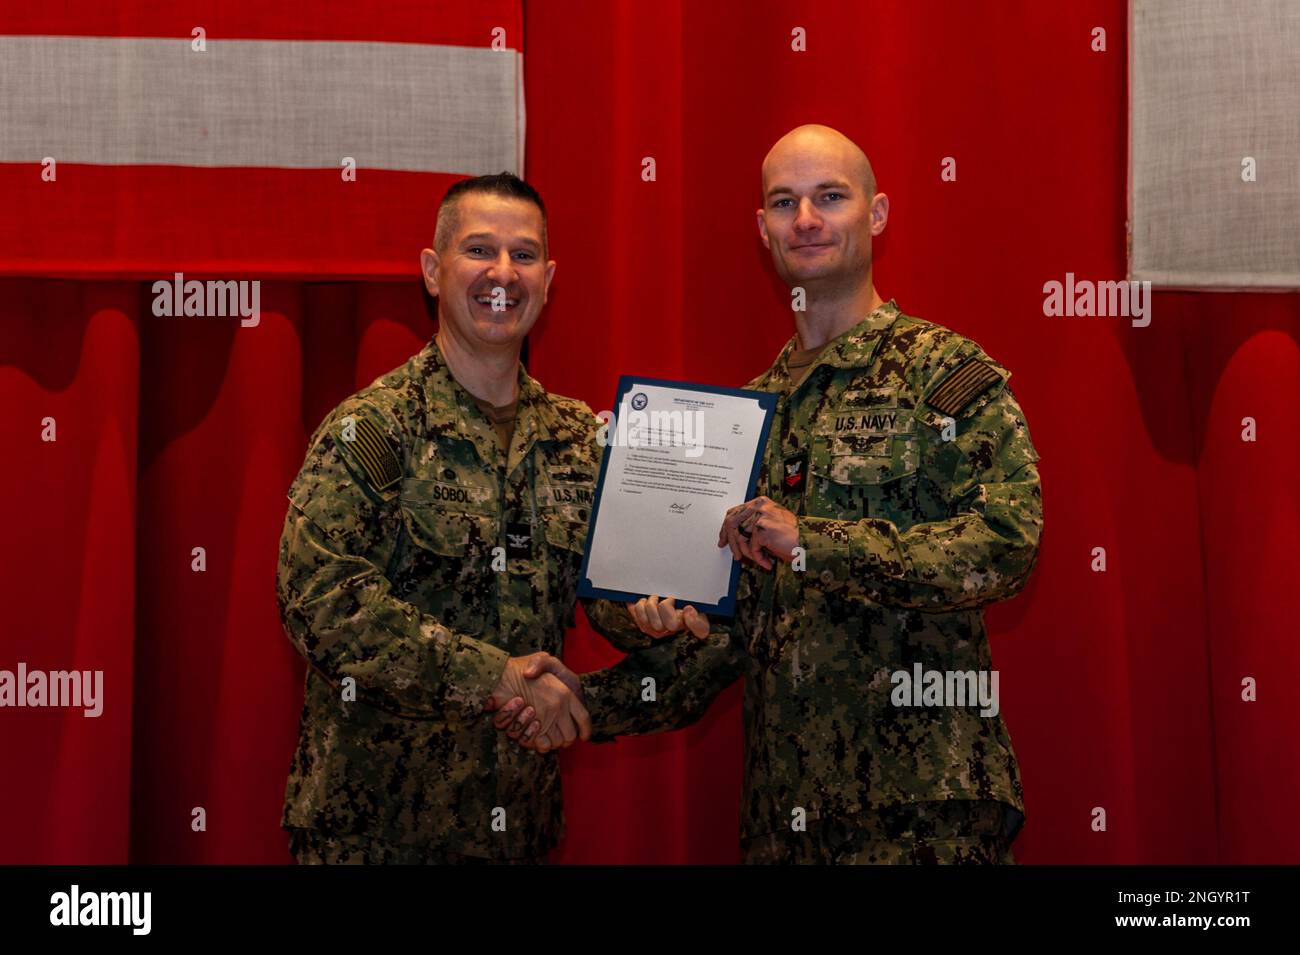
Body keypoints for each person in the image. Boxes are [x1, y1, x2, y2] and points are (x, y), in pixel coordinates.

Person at [506, 125, 1044, 864]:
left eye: (831, 197)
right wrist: (589, 699)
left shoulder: (941, 374)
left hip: (924, 813)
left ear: (877, 213)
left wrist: (813, 542)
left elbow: (1007, 543)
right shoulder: (745, 419)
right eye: (785, 203)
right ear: (764, 231)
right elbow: (725, 646)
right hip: (782, 823)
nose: (808, 220)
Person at [277, 172, 645, 864]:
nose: (503, 273)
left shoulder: (576, 438)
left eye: (525, 254)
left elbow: (607, 593)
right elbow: (320, 604)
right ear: (431, 270)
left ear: (549, 275)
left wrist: (659, 607)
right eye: (479, 250)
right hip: (376, 836)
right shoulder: (374, 430)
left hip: (519, 832)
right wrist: (494, 673)